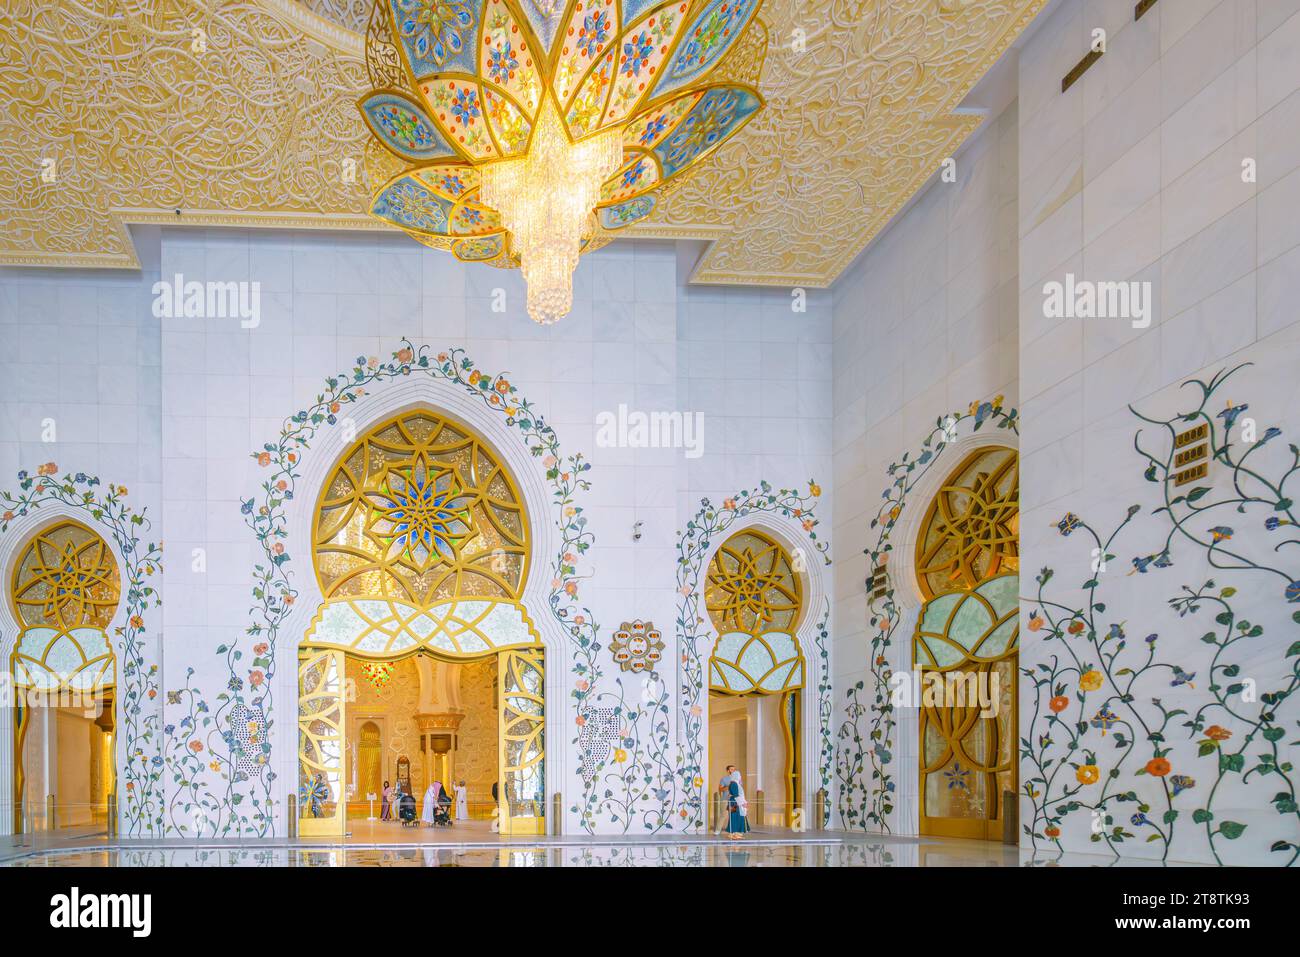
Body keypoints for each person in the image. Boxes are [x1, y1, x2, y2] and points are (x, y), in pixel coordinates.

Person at [724, 769, 750, 840]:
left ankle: (736, 833)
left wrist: (744, 802)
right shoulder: (734, 784)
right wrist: (742, 804)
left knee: (738, 817)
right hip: (735, 803)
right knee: (735, 818)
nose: (740, 777)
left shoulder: (735, 783)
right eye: (739, 775)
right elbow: (736, 795)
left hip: (736, 802)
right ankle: (733, 833)